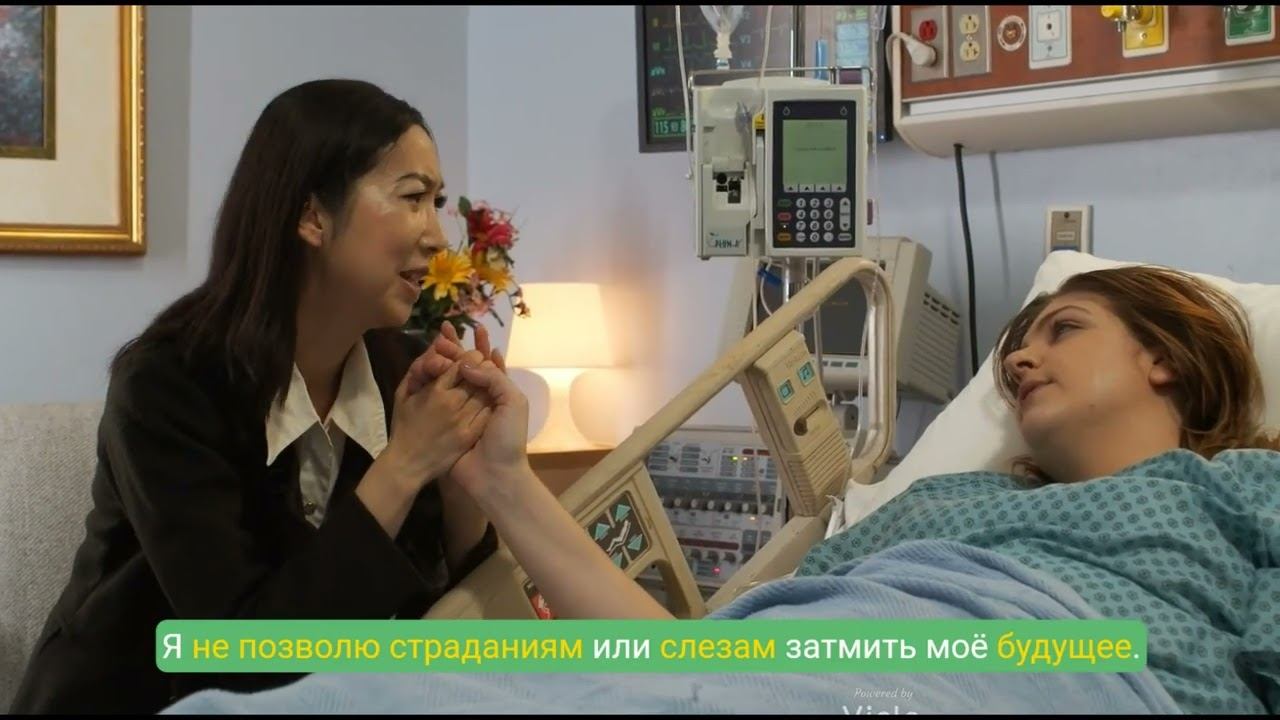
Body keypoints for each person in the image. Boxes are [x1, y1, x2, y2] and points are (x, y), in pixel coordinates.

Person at [167, 264, 1278, 714]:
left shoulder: (1238, 493)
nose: (1020, 357)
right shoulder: (941, 507)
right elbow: (680, 661)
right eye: (1014, 344)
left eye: (1061, 329)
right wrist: (501, 480)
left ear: (1164, 357)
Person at [10, 79, 507, 714]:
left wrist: (465, 488)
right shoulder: (167, 384)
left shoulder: (404, 373)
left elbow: (448, 636)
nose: (437, 236)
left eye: (436, 202)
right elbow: (239, 659)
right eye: (413, 198)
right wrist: (405, 465)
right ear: (312, 216)